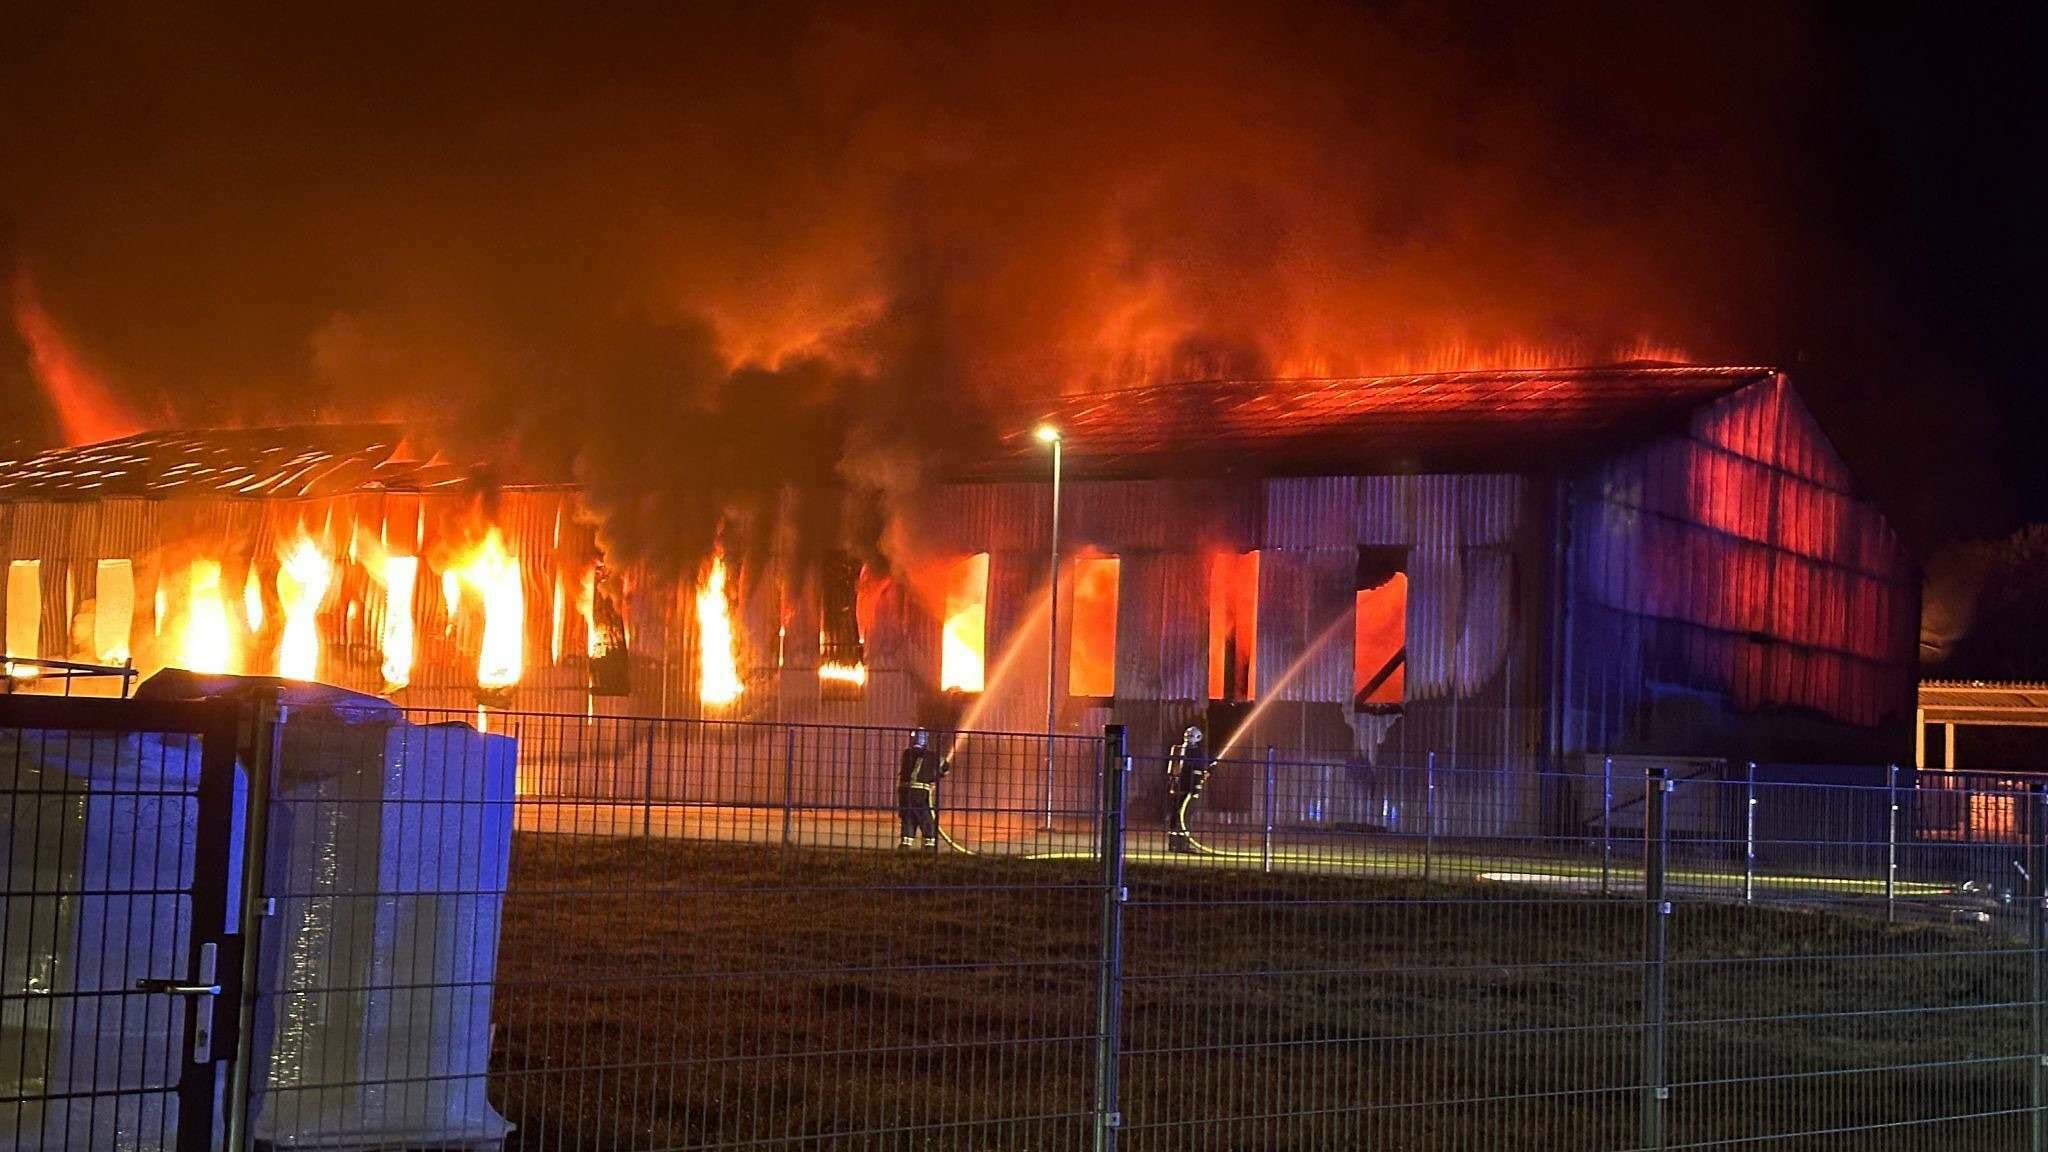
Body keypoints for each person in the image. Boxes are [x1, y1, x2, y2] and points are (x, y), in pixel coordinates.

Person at [897, 727, 951, 850]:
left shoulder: (907, 754)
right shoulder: (933, 756)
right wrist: (936, 777)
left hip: (905, 792)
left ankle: (905, 844)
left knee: (908, 816)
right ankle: (929, 845)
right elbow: (945, 767)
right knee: (926, 815)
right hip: (922, 793)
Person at [1164, 725, 1212, 854]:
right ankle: (1182, 845)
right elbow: (1197, 771)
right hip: (1189, 789)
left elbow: (1172, 771)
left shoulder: (1178, 750)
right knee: (1184, 816)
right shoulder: (1196, 753)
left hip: (1176, 788)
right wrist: (1198, 785)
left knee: (1176, 815)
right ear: (1198, 737)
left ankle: (1173, 845)